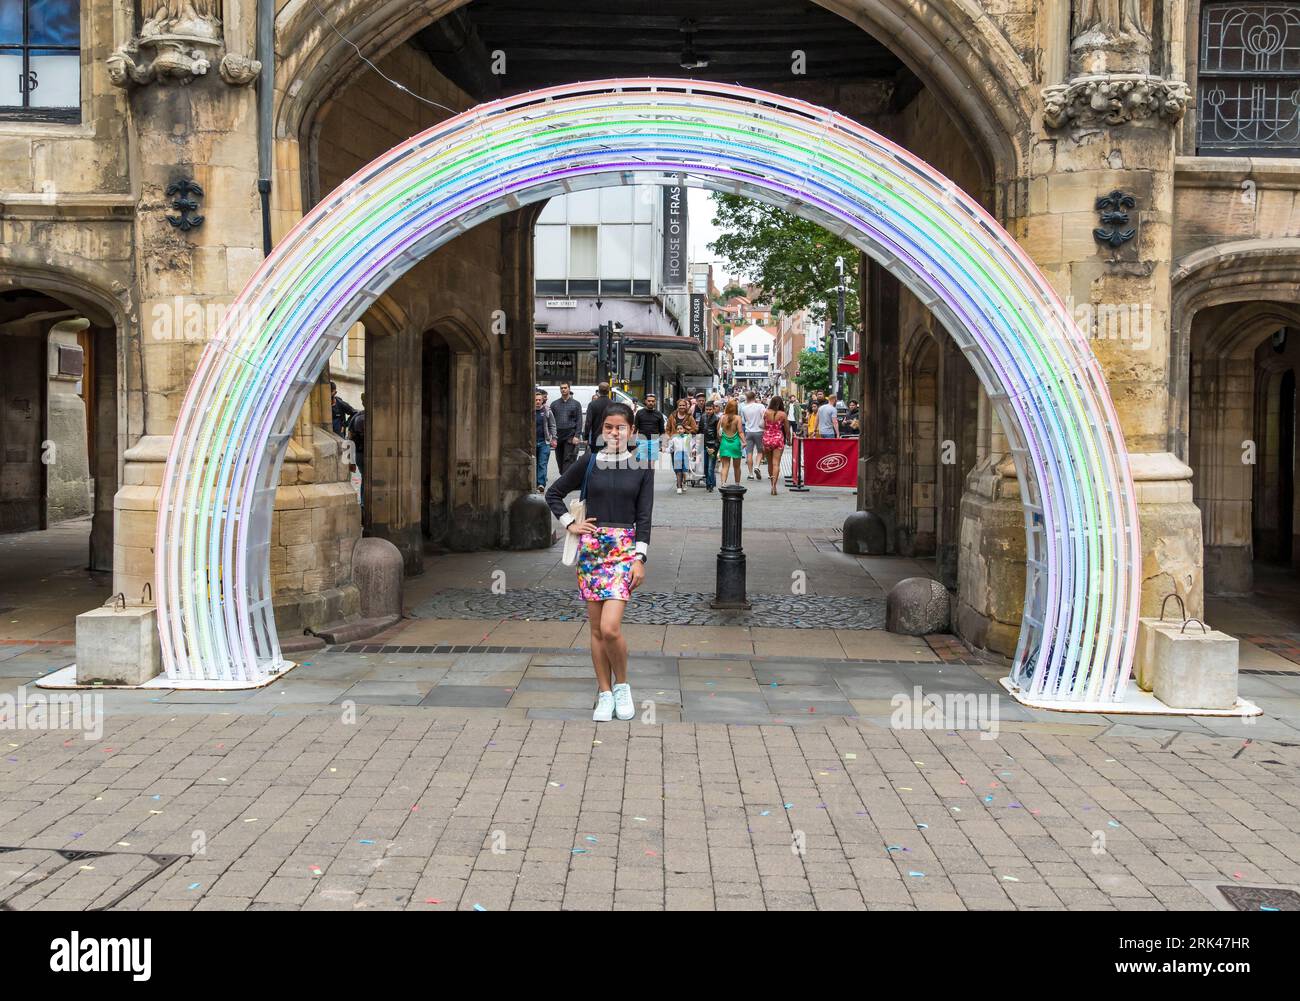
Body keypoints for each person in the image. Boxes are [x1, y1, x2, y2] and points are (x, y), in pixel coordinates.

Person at [545, 403, 653, 723]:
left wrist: (640, 559)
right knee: (595, 629)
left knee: (610, 628)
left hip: (623, 553)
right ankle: (604, 693)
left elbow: (644, 518)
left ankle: (622, 686)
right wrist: (569, 523)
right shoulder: (589, 462)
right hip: (592, 552)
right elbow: (554, 492)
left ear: (632, 431)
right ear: (600, 430)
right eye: (608, 427)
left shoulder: (641, 466)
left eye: (620, 427)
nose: (614, 433)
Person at [550, 381, 584, 475]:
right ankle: (563, 475)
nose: (563, 390)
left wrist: (577, 435)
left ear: (569, 389)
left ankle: (565, 479)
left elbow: (579, 421)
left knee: (568, 458)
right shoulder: (554, 404)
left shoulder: (576, 404)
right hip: (558, 435)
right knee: (559, 458)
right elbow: (551, 422)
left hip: (570, 434)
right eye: (561, 388)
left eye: (565, 388)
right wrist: (552, 436)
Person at [666, 400, 697, 494]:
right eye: (680, 405)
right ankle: (679, 483)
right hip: (675, 443)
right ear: (677, 406)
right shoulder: (672, 416)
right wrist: (669, 438)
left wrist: (687, 428)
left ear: (686, 406)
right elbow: (668, 428)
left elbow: (695, 429)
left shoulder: (689, 417)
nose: (682, 407)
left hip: (685, 442)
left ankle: (682, 482)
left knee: (685, 468)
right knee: (676, 466)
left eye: (683, 405)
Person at [762, 395, 789, 495]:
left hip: (767, 438)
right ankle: (774, 485)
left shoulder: (766, 412)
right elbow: (786, 429)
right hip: (778, 438)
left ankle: (771, 483)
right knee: (776, 463)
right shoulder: (783, 414)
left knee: (769, 463)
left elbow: (763, 425)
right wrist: (789, 439)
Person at [633, 392, 666, 466]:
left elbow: (662, 431)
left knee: (651, 465)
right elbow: (635, 429)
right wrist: (632, 442)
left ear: (655, 402)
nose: (651, 402)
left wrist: (663, 445)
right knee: (641, 465)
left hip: (654, 441)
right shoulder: (639, 413)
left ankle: (650, 478)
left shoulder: (659, 414)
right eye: (649, 401)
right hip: (642, 440)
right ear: (645, 401)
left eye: (653, 401)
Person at [717, 399, 744, 486]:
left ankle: (723, 483)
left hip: (724, 444)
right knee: (737, 467)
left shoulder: (722, 418)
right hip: (735, 444)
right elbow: (740, 432)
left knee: (725, 466)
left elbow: (718, 432)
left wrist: (721, 441)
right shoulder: (738, 418)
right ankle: (737, 484)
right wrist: (744, 441)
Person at [740, 391, 766, 481]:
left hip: (748, 432)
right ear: (755, 397)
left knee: (749, 453)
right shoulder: (761, 406)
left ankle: (750, 474)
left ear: (747, 398)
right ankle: (757, 466)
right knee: (760, 451)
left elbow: (745, 420)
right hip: (759, 431)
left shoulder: (744, 408)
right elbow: (764, 417)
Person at [535, 389, 557, 492]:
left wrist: (554, 438)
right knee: (534, 463)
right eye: (536, 400)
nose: (538, 402)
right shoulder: (530, 412)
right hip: (532, 443)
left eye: (539, 400)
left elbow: (552, 425)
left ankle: (541, 484)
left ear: (542, 400)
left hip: (544, 442)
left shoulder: (547, 411)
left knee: (542, 463)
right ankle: (534, 482)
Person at [699, 399, 721, 492]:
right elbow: (700, 430)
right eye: (707, 409)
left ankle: (710, 485)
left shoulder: (717, 419)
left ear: (713, 409)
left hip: (712, 445)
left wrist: (716, 446)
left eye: (710, 409)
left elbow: (718, 434)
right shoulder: (703, 417)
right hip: (704, 444)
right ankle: (710, 482)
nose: (708, 411)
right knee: (705, 467)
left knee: (710, 467)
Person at [585, 382, 612, 451]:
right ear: (608, 391)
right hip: (610, 436)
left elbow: (588, 423)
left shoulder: (592, 404)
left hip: (596, 436)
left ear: (598, 391)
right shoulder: (613, 404)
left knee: (595, 458)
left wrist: (586, 437)